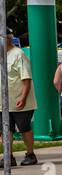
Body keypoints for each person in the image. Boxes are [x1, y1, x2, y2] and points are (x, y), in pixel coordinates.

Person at [4, 36, 38, 167]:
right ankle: (8, 156)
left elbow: (26, 78)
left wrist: (23, 98)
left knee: (24, 128)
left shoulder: (18, 54)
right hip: (4, 102)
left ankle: (30, 154)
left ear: (8, 38)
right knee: (6, 129)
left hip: (20, 101)